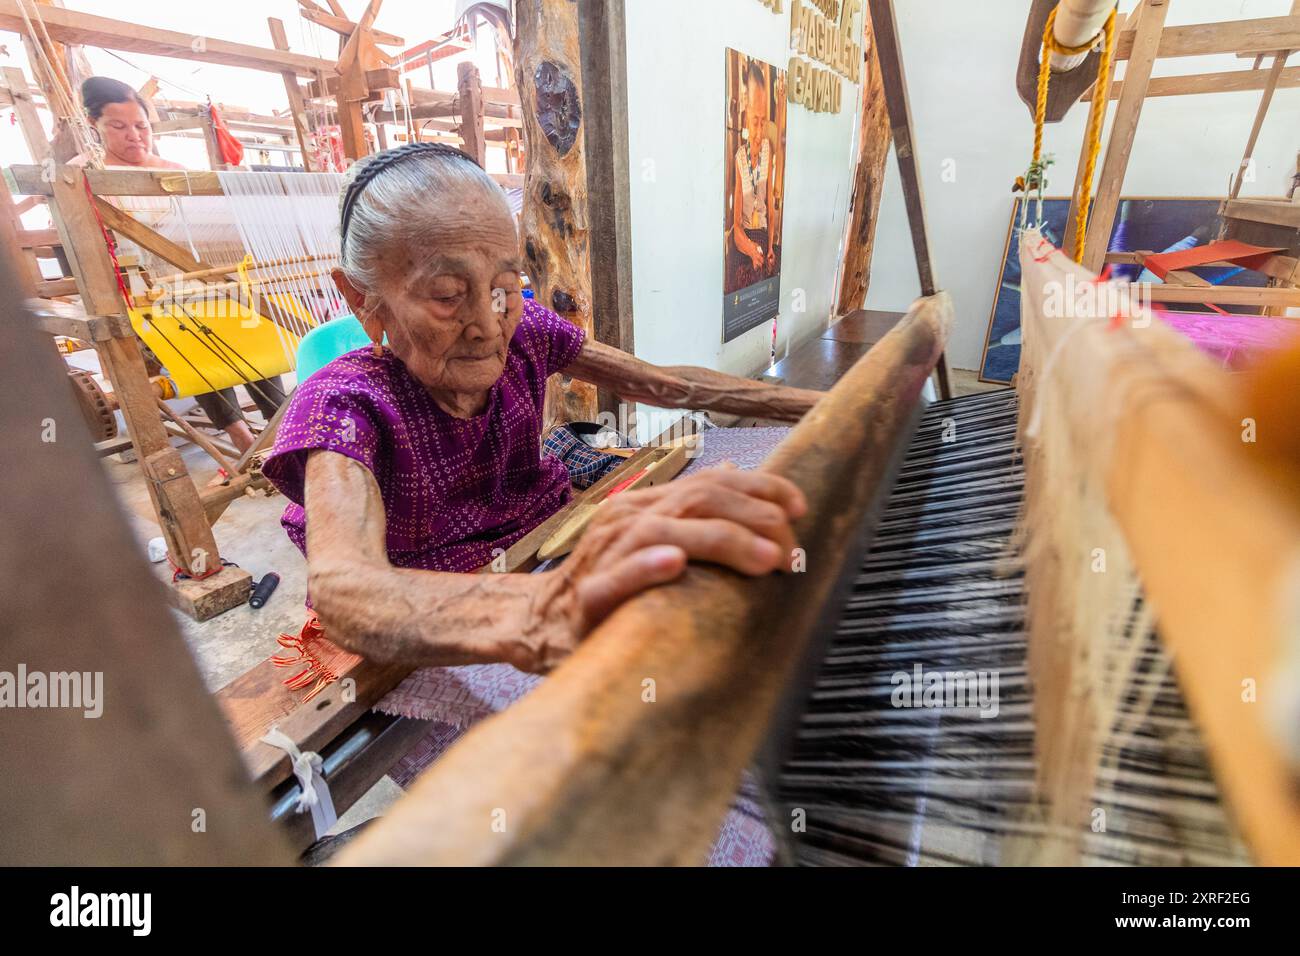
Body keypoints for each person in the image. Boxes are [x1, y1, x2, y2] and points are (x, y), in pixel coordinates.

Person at [261, 142, 825, 677]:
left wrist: (819, 405)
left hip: (534, 535)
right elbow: (346, 588)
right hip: (429, 596)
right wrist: (544, 610)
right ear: (360, 296)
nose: (487, 326)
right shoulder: (344, 404)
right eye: (446, 296)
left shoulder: (525, 329)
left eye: (505, 286)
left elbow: (663, 384)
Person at [80, 76, 283, 453]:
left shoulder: (174, 171)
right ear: (94, 125)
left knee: (255, 327)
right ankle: (244, 444)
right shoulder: (85, 178)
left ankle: (282, 426)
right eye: (118, 127)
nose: (135, 136)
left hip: (200, 283)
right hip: (146, 300)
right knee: (194, 340)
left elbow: (212, 236)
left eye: (141, 126)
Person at [729, 60, 778, 290]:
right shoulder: (740, 157)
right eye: (754, 122)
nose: (758, 133)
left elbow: (771, 205)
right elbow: (736, 225)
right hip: (747, 239)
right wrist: (750, 249)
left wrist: (769, 248)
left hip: (764, 236)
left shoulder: (769, 149)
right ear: (746, 115)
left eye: (762, 122)